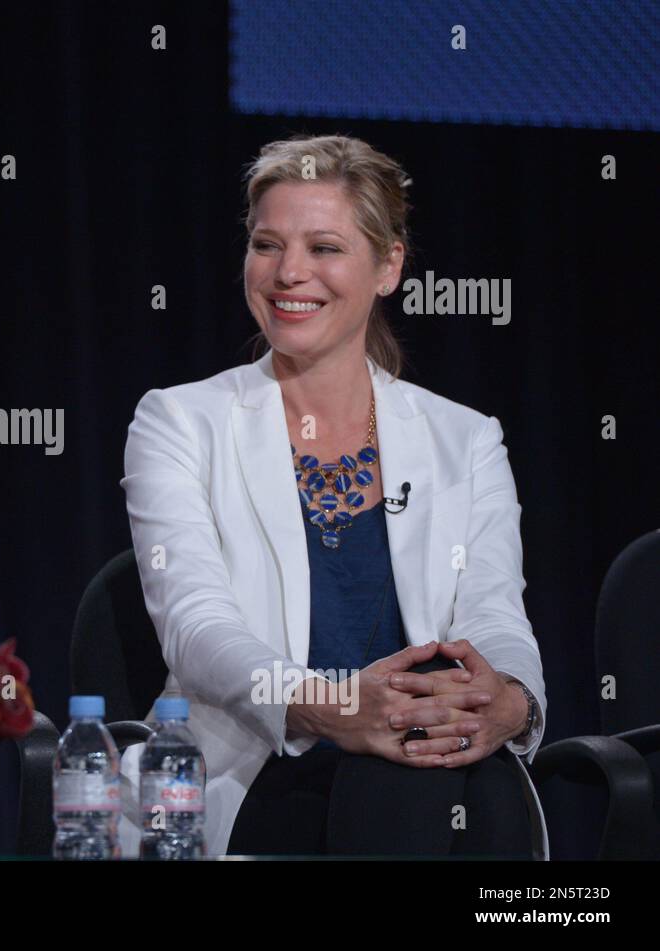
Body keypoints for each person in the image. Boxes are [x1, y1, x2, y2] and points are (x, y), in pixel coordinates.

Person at [117, 135, 547, 857]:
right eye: (266, 244)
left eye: (324, 247)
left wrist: (507, 698)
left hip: (434, 769)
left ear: (389, 266)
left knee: (431, 775)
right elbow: (197, 628)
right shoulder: (179, 421)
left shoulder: (465, 439)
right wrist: (341, 708)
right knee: (410, 782)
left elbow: (495, 614)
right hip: (262, 773)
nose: (289, 272)